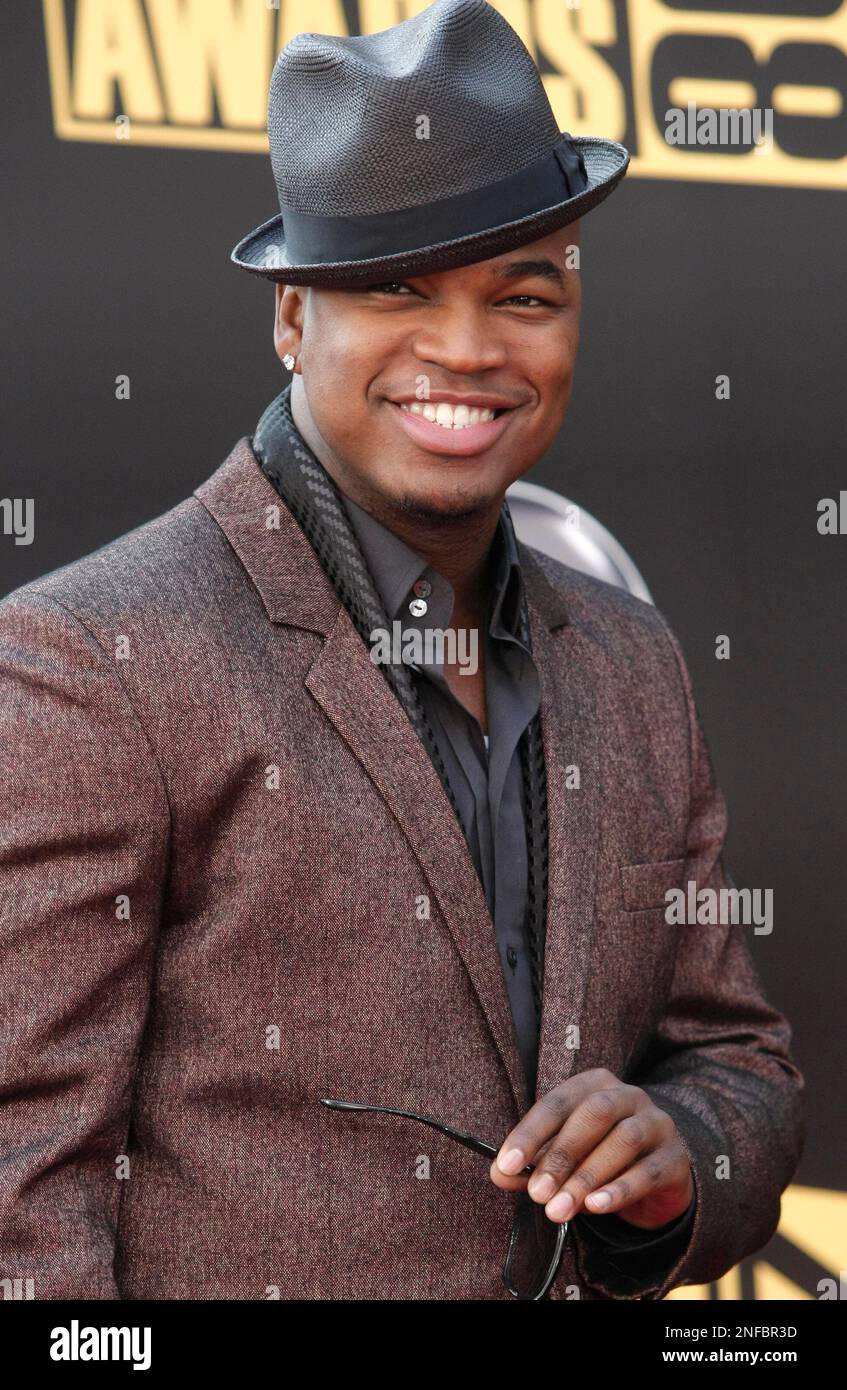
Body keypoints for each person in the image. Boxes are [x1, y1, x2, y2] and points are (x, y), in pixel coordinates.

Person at [0, 0, 803, 1301]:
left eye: (524, 293)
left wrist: (683, 1157)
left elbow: (741, 1066)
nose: (471, 348)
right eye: (397, 290)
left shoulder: (631, 659)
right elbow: (21, 1225)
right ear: (291, 318)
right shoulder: (92, 663)